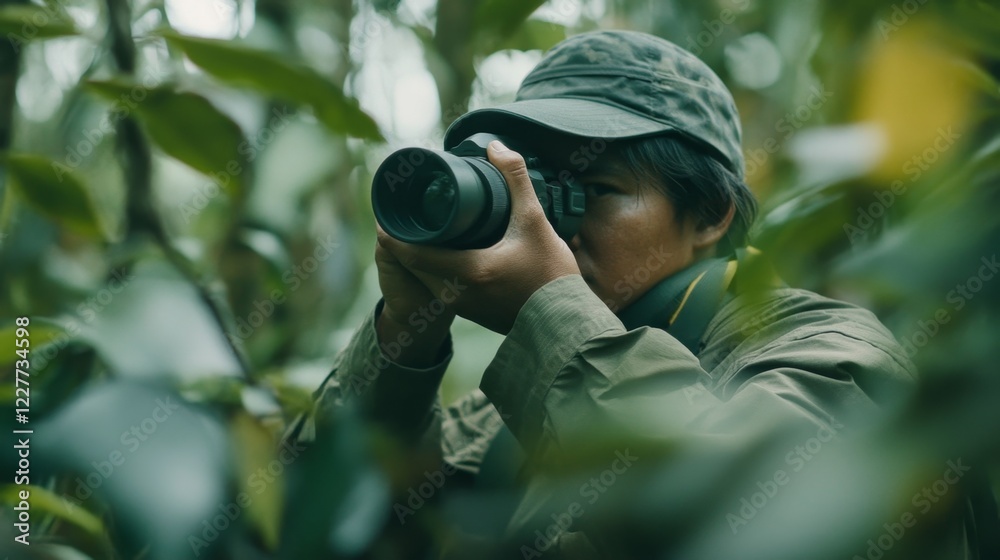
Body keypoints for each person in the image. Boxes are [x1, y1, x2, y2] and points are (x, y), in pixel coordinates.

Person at [286, 30, 985, 559]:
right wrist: (403, 341)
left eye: (593, 192)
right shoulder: (499, 415)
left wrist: (549, 309)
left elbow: (752, 519)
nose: (549, 222)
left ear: (710, 215)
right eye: (529, 188)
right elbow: (313, 523)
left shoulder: (826, 350)